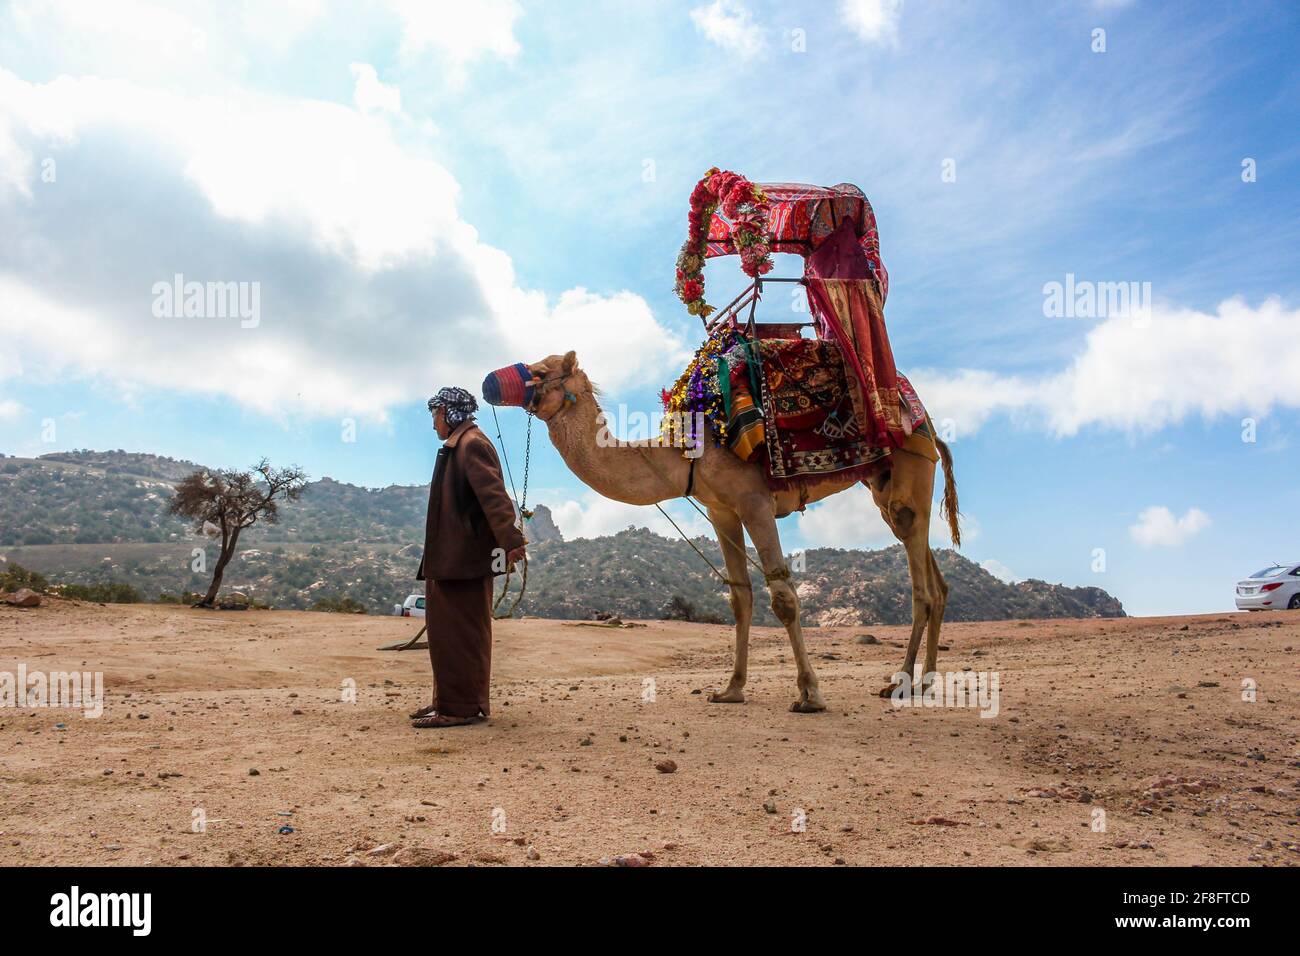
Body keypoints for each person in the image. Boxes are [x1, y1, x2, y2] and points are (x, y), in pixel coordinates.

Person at [411, 386, 525, 728]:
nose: (434, 423)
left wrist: (511, 541)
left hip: (464, 560)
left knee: (461, 635)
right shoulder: (460, 444)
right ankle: (447, 702)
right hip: (452, 560)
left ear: (449, 413)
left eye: (436, 415)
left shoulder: (472, 444)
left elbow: (494, 498)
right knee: (448, 635)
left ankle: (459, 708)